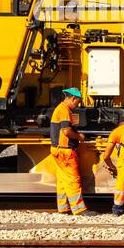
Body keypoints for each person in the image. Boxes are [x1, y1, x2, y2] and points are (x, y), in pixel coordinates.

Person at [49, 87, 88, 215]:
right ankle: (79, 209)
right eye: (78, 102)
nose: (78, 105)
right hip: (65, 151)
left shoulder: (60, 108)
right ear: (73, 98)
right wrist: (79, 137)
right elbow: (66, 131)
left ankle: (63, 207)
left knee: (62, 181)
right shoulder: (64, 110)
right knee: (73, 179)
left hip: (57, 150)